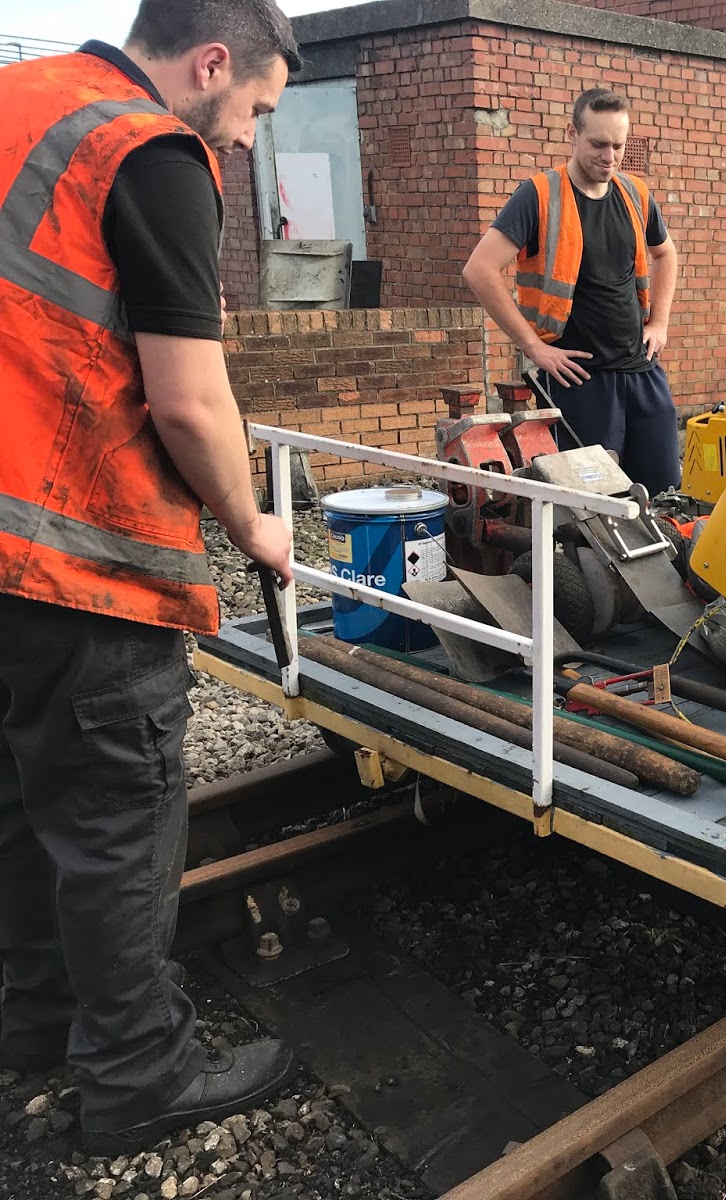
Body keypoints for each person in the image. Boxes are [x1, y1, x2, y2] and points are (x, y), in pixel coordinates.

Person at [0, 0, 300, 1155]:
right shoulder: (149, 147)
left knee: (24, 805)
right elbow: (185, 398)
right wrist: (252, 525)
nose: (243, 141)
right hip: (75, 549)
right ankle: (137, 1073)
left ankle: (37, 1018)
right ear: (210, 62)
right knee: (118, 820)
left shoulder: (24, 104)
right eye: (255, 112)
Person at [464, 87, 682, 496]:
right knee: (591, 505)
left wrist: (661, 321)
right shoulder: (540, 195)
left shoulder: (636, 194)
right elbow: (479, 270)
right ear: (572, 134)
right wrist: (533, 347)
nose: (610, 156)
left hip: (641, 370)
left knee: (664, 492)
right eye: (598, 144)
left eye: (618, 145)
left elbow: (666, 255)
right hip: (579, 378)